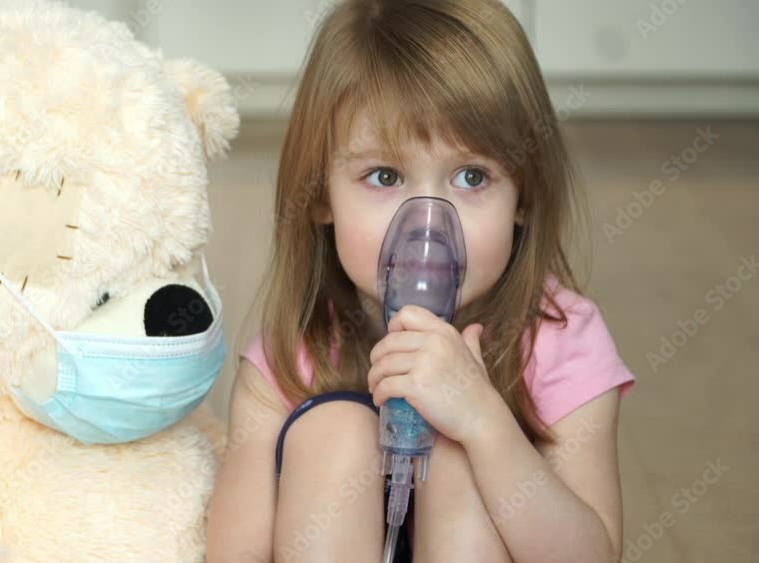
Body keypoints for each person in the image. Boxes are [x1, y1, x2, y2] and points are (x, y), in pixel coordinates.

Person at [206, 1, 636, 561]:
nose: (427, 224)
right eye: (384, 176)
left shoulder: (561, 343)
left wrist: (485, 424)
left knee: (459, 456)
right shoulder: (294, 354)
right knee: (332, 431)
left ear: (523, 197)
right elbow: (234, 551)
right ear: (319, 196)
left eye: (471, 176)